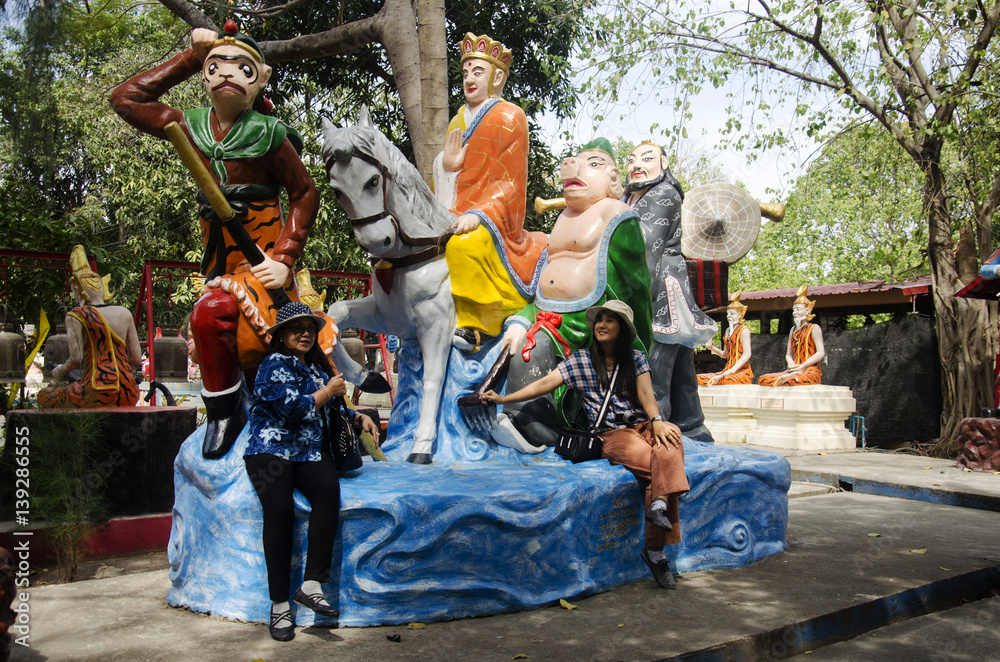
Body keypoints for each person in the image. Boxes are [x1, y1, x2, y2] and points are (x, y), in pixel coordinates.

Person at [111, 20, 320, 458]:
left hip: (261, 261)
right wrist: (188, 57)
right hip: (217, 265)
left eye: (242, 67)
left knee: (246, 330)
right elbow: (126, 98)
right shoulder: (187, 126)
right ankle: (227, 412)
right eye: (214, 66)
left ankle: (276, 413)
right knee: (211, 322)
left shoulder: (270, 135)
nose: (227, 73)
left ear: (260, 78)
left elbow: (304, 193)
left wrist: (285, 257)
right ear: (203, 75)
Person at [482, 300, 689, 589]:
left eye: (610, 320)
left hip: (644, 424)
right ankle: (655, 545)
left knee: (672, 436)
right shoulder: (581, 360)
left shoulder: (636, 358)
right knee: (655, 462)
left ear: (623, 329)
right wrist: (504, 399)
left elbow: (646, 394)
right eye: (599, 320)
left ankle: (658, 506)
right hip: (613, 434)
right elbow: (544, 383)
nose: (602, 324)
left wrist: (656, 420)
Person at [488, 138, 653, 454]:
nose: (579, 168)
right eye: (577, 161)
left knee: (531, 350)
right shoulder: (562, 218)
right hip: (546, 313)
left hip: (585, 319)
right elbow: (544, 278)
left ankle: (536, 424)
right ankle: (525, 418)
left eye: (594, 164)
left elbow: (635, 288)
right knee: (521, 342)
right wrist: (521, 319)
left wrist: (630, 338)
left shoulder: (616, 213)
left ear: (614, 180)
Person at [245, 302, 377, 641]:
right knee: (278, 512)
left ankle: (311, 583)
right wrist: (327, 392)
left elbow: (332, 407)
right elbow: (292, 408)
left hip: (308, 451)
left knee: (328, 492)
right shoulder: (273, 364)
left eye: (310, 328)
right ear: (281, 336)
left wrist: (356, 416)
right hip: (271, 450)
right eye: (296, 328)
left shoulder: (317, 369)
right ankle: (279, 606)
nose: (305, 333)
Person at [432, 32, 547, 352]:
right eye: (466, 72)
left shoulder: (512, 117)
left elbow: (510, 183)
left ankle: (475, 326)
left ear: (497, 76)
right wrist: (448, 164)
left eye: (478, 72)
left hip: (492, 217)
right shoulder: (458, 118)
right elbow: (445, 169)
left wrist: (479, 213)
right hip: (452, 206)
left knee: (463, 245)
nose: (469, 79)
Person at [623, 141, 717, 441]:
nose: (637, 164)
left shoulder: (663, 194)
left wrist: (634, 301)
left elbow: (647, 251)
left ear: (664, 163)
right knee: (681, 371)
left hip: (659, 290)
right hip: (663, 286)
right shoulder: (630, 197)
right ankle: (692, 425)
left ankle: (653, 435)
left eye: (648, 158)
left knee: (654, 369)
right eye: (632, 159)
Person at [38, 245, 142, 409]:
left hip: (95, 390)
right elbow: (136, 359)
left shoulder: (76, 315)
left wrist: (59, 371)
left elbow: (76, 358)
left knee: (44, 396)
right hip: (128, 391)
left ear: (79, 291)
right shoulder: (124, 313)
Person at [758, 285, 825, 386]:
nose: (795, 313)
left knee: (796, 380)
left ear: (807, 311)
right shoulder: (793, 330)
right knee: (763, 379)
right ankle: (787, 378)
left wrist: (802, 366)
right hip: (794, 370)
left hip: (810, 371)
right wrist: (791, 364)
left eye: (798, 309)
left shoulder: (814, 328)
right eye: (794, 310)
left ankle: (788, 378)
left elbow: (820, 353)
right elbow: (789, 354)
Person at [698, 292, 753, 385]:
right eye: (728, 314)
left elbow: (747, 354)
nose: (729, 316)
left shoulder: (744, 331)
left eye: (732, 314)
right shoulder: (728, 331)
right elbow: (725, 354)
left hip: (741, 372)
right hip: (727, 370)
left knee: (721, 380)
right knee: (699, 378)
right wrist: (711, 347)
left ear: (739, 315)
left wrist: (733, 370)